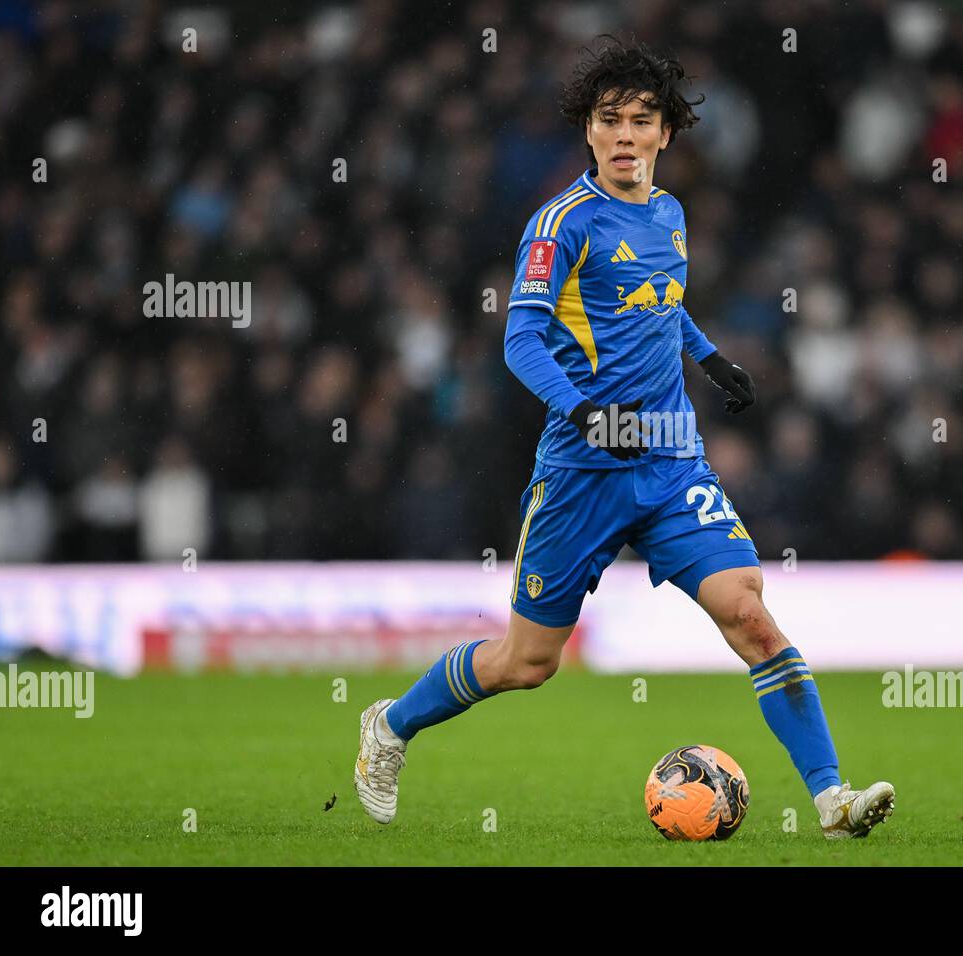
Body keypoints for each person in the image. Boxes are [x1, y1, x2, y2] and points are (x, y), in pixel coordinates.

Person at [354, 38, 894, 839]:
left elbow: (659, 301)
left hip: (672, 459)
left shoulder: (668, 212)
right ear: (589, 132)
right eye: (610, 121)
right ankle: (391, 725)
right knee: (527, 664)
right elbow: (520, 340)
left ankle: (831, 801)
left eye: (642, 121)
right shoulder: (561, 222)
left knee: (750, 615)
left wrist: (711, 360)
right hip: (581, 470)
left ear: (665, 134)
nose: (625, 136)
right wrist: (580, 412)